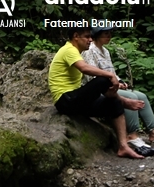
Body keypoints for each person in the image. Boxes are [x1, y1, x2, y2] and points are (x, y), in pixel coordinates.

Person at [49, 27, 145, 159]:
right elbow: (84, 68)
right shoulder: (69, 49)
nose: (90, 40)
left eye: (91, 37)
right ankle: (125, 101)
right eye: (87, 37)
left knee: (114, 103)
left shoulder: (77, 52)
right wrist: (110, 75)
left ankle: (123, 146)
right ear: (76, 36)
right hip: (65, 100)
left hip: (75, 102)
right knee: (102, 80)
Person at [80, 27, 154, 156]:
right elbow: (92, 76)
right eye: (105, 34)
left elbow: (111, 72)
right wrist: (114, 84)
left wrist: (120, 82)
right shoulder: (90, 51)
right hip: (101, 88)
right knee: (131, 96)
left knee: (141, 96)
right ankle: (132, 135)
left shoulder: (105, 51)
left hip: (112, 85)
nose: (109, 36)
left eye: (110, 33)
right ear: (97, 35)